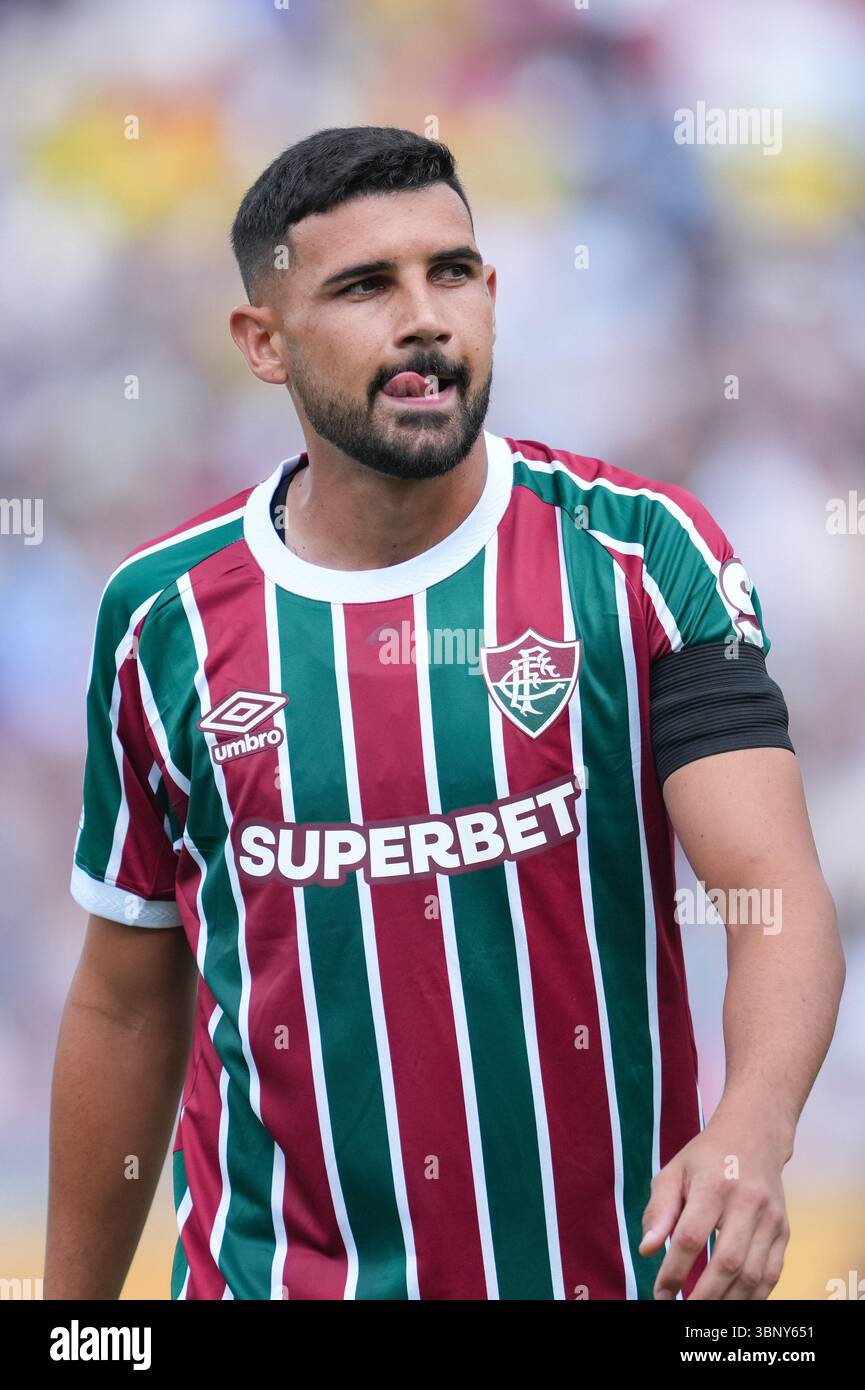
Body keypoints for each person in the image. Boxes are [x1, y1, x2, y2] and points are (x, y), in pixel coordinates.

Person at [47, 126, 844, 1301]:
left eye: (451, 272)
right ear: (262, 342)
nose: (424, 316)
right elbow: (125, 998)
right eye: (365, 286)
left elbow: (769, 893)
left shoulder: (636, 556)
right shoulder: (162, 617)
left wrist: (755, 1123)